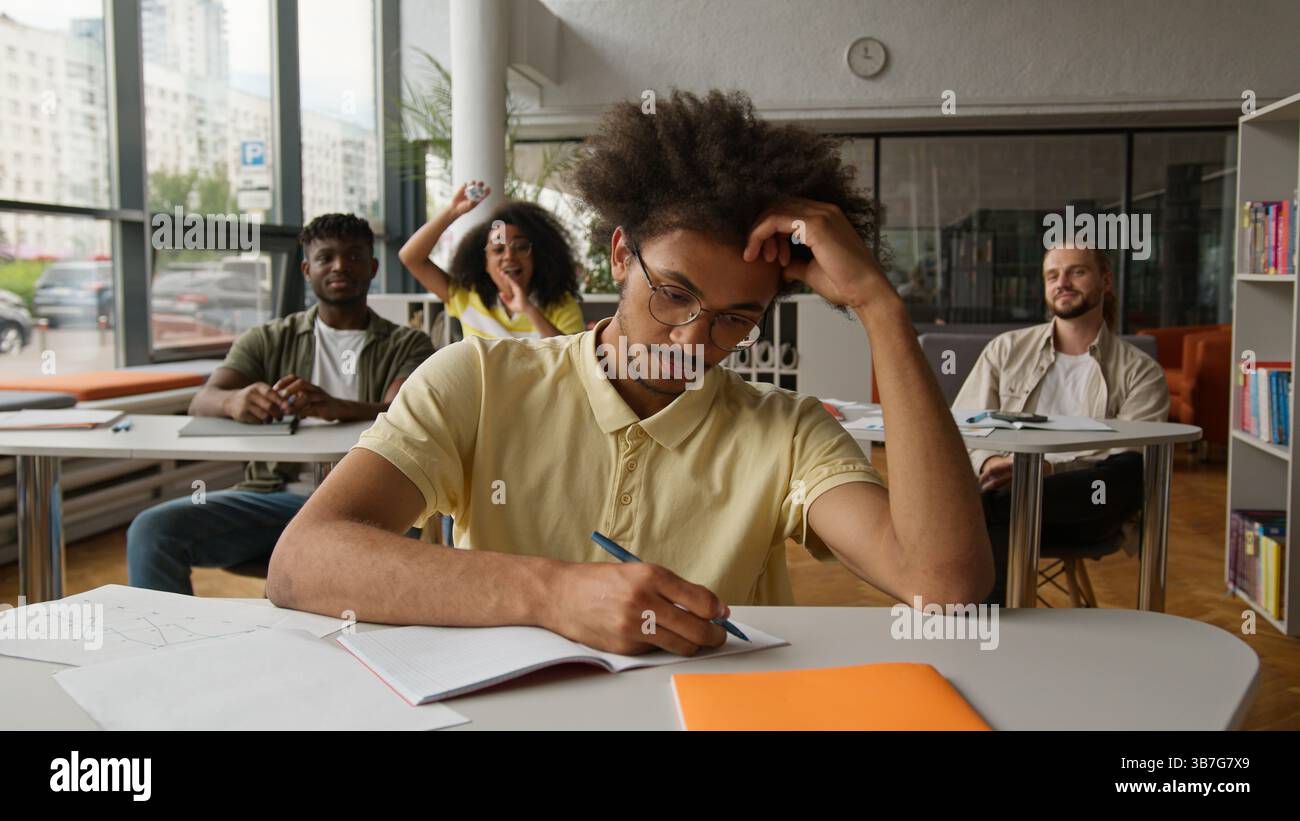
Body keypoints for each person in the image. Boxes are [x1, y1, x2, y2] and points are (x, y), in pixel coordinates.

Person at [268, 89, 992, 656]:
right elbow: (304, 561)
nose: (694, 337)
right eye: (674, 293)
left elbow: (945, 585)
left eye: (737, 318)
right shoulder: (479, 380)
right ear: (619, 255)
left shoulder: (786, 431)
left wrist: (880, 307)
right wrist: (553, 593)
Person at [126, 214, 435, 594]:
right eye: (326, 258)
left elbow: (399, 412)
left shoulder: (409, 344)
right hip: (276, 499)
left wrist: (336, 406)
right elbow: (203, 401)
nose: (340, 266)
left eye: (353, 257)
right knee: (153, 530)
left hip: (369, 503)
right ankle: (164, 653)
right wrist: (236, 401)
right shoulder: (267, 339)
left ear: (371, 267)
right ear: (307, 269)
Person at [953, 245, 1169, 605]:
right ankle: (1002, 621)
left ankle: (989, 629)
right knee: (999, 501)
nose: (1062, 283)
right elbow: (961, 428)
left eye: (1077, 272)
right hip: (1006, 494)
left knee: (1130, 468)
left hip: (1085, 505)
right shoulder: (1004, 350)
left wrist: (1049, 470)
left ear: (1106, 281)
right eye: (1053, 276)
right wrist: (990, 464)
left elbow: (1131, 460)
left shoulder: (1141, 371)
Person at [399, 185, 585, 338]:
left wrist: (528, 310)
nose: (509, 256)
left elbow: (572, 359)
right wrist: (453, 211)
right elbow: (411, 257)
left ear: (538, 256)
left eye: (520, 247)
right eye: (498, 250)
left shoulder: (561, 305)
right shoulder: (467, 297)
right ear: (484, 263)